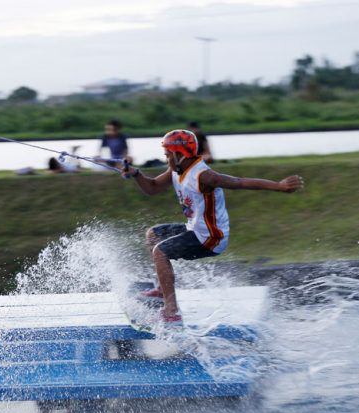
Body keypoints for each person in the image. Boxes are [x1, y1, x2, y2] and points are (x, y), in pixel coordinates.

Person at [121, 129, 304, 325]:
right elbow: (153, 188)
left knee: (160, 252)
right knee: (153, 234)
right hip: (195, 230)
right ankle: (161, 290)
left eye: (167, 156)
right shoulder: (176, 171)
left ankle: (171, 311)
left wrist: (278, 186)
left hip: (211, 238)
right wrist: (136, 173)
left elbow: (239, 182)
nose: (166, 160)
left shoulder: (203, 175)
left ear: (179, 154)